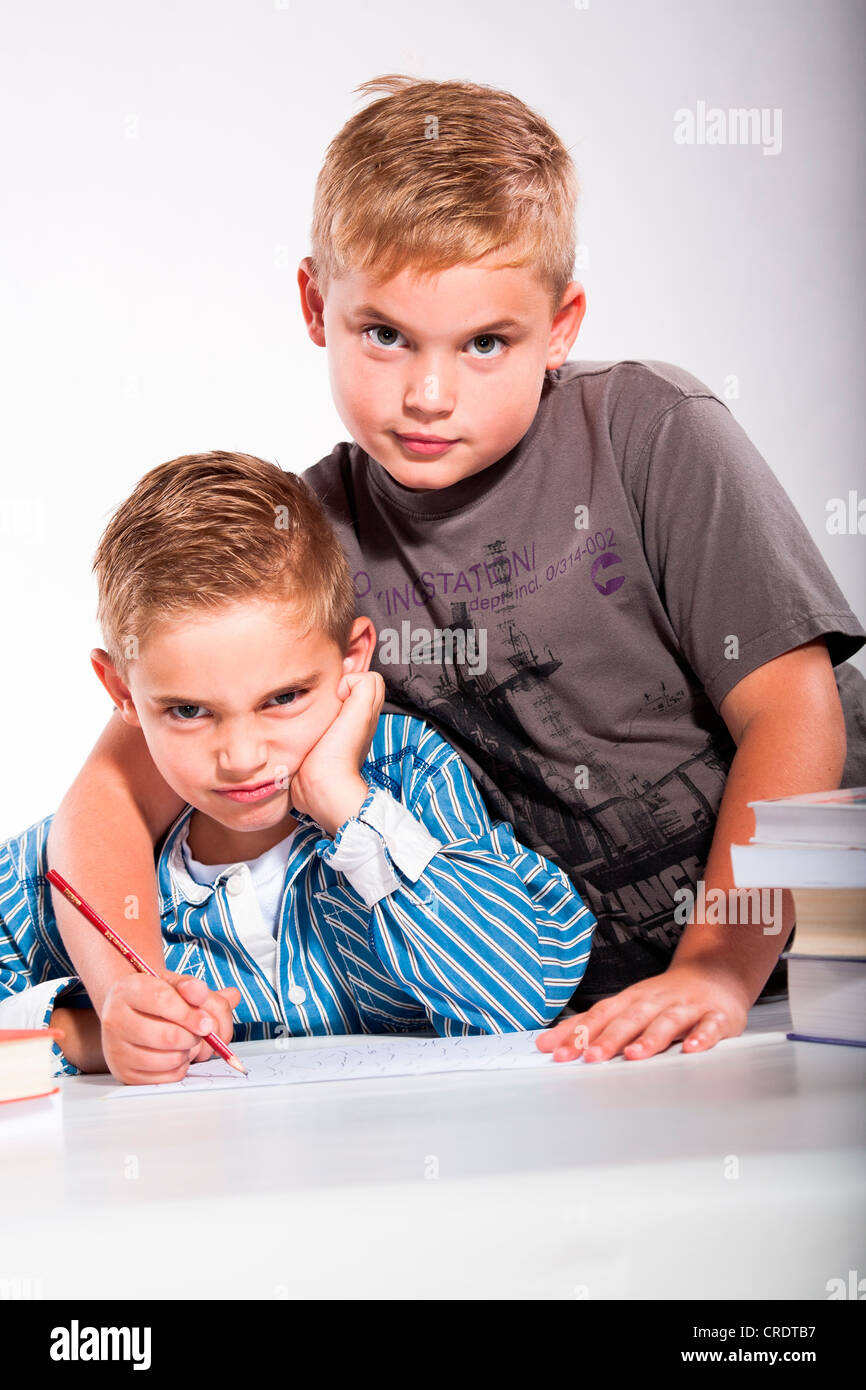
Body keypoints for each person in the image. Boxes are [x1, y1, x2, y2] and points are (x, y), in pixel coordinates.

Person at [46, 76, 866, 1071]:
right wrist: (128, 983)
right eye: (384, 335)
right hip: (599, 1004)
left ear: (559, 326)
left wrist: (719, 966)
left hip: (822, 924)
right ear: (315, 303)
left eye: (485, 343)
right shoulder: (305, 540)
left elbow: (794, 714)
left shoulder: (651, 431)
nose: (428, 395)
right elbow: (111, 791)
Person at [0, 452, 596, 1079]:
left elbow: (522, 993)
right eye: (188, 711)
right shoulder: (83, 868)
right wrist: (85, 1030)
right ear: (122, 692)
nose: (242, 757)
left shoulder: (407, 781)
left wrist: (346, 803)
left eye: (283, 698)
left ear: (353, 659)